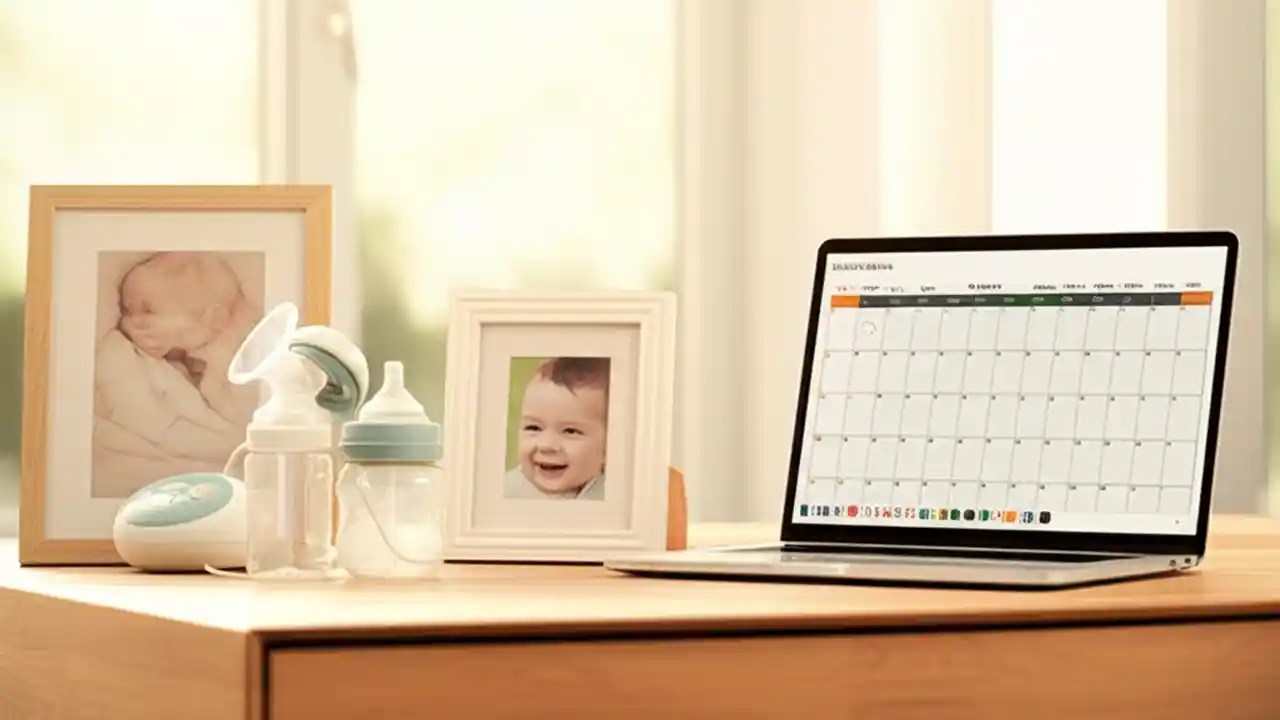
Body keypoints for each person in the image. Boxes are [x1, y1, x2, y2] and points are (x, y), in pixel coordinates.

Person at [92, 252, 261, 496]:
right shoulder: (122, 355)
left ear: (213, 320)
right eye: (127, 311)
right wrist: (234, 445)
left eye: (148, 311)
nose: (130, 323)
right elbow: (157, 429)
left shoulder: (230, 357)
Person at [503, 357, 610, 500]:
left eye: (570, 431)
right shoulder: (508, 492)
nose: (546, 445)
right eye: (533, 428)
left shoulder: (615, 495)